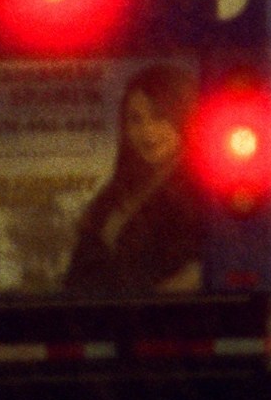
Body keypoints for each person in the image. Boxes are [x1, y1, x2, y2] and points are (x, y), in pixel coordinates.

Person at [66, 63, 209, 295]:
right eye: (135, 119)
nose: (147, 132)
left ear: (183, 117)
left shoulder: (203, 193)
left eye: (159, 117)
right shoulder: (119, 188)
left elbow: (198, 274)